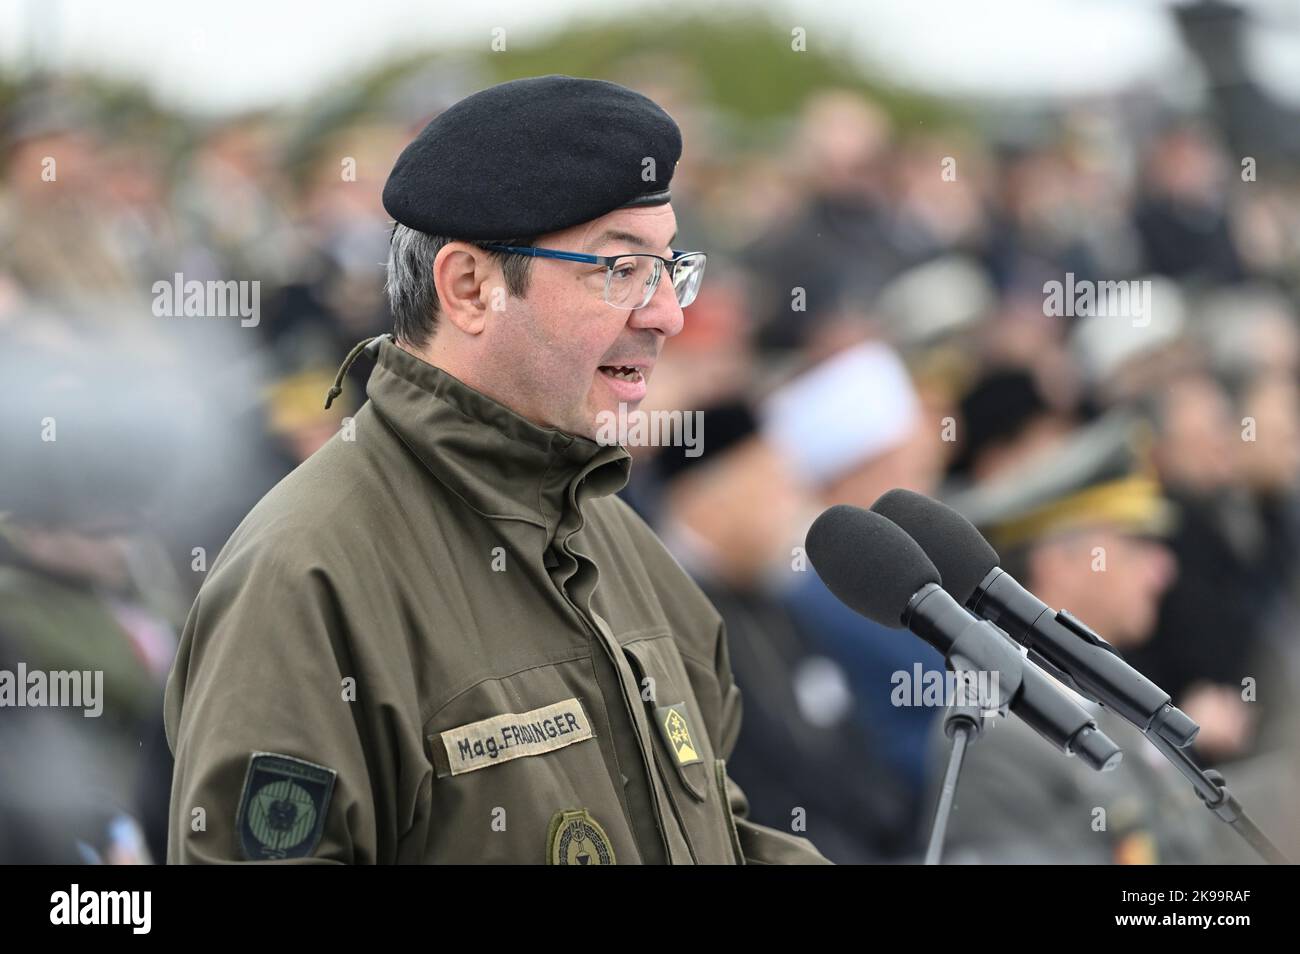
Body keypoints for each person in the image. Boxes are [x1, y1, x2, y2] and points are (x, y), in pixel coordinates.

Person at [165, 74, 829, 864]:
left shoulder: (623, 542)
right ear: (471, 288)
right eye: (620, 269)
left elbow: (718, 833)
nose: (667, 313)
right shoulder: (304, 576)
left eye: (668, 266)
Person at [927, 413, 1226, 863]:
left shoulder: (1109, 690)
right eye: (1133, 546)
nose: (1162, 571)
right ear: (1057, 563)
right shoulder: (992, 734)